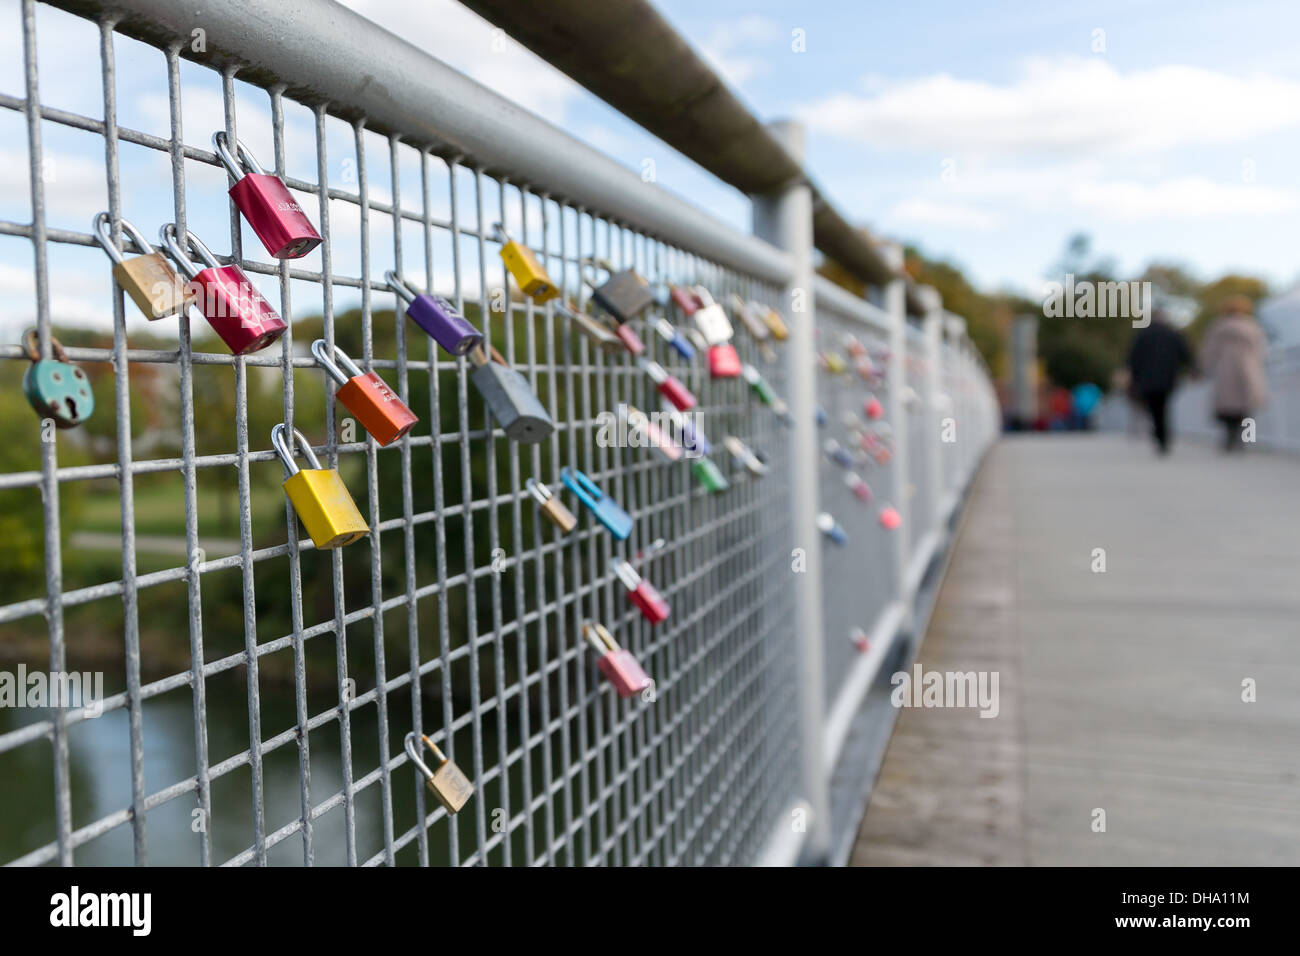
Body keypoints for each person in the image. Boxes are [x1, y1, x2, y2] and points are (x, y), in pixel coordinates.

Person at [1199, 296, 1267, 451]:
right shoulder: (1252, 326)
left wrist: (1204, 368)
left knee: (1227, 408)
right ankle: (1243, 439)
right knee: (1245, 407)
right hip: (1248, 369)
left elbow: (1209, 350)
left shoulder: (1219, 326)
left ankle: (1229, 438)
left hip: (1226, 369)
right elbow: (1261, 349)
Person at [1126, 308, 1192, 454]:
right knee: (1164, 408)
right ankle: (1163, 437)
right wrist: (1190, 369)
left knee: (1154, 409)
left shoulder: (1142, 335)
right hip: (1168, 378)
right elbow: (1186, 354)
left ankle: (1159, 435)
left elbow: (1133, 358)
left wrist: (1135, 377)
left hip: (1147, 380)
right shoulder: (1173, 334)